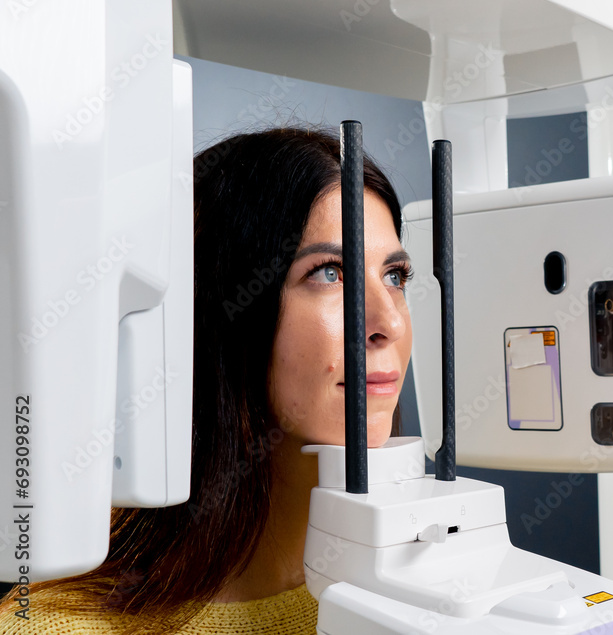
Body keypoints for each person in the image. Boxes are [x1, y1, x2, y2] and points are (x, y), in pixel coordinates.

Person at [0, 126, 415, 633]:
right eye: (329, 272)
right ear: (227, 312)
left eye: (395, 276)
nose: (389, 323)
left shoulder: (419, 591)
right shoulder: (51, 627)